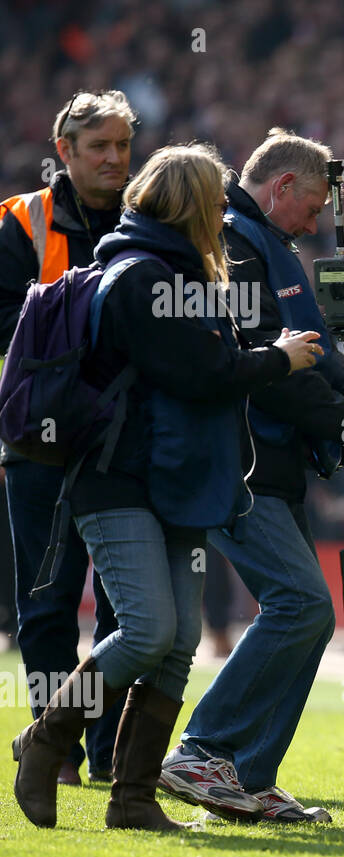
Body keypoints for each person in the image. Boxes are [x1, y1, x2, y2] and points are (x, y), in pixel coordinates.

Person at [10, 143, 322, 831]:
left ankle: (133, 799)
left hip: (177, 479)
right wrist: (279, 359)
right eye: (214, 201)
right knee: (149, 629)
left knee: (178, 639)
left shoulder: (180, 271)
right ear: (189, 204)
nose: (222, 214)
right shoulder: (142, 275)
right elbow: (199, 376)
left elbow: (202, 368)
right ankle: (46, 737)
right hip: (117, 475)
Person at [157, 130, 344, 823]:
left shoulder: (273, 249)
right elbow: (267, 370)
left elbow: (316, 351)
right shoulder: (235, 248)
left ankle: (247, 775)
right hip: (239, 464)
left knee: (308, 616)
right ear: (282, 189)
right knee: (302, 607)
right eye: (312, 204)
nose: (318, 219)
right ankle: (202, 749)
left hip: (274, 466)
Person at [0, 91, 134, 786]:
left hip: (126, 438)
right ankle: (59, 754)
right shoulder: (22, 221)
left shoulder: (151, 213)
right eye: (99, 147)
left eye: (122, 145)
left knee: (125, 606)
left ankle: (111, 751)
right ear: (66, 151)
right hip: (42, 442)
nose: (114, 158)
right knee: (49, 604)